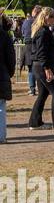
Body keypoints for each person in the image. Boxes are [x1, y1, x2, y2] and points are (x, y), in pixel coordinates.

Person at [0, 15, 14, 143]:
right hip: (1, 75)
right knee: (0, 107)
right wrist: (8, 73)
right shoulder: (5, 36)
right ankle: (0, 136)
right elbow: (11, 59)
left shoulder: (5, 36)